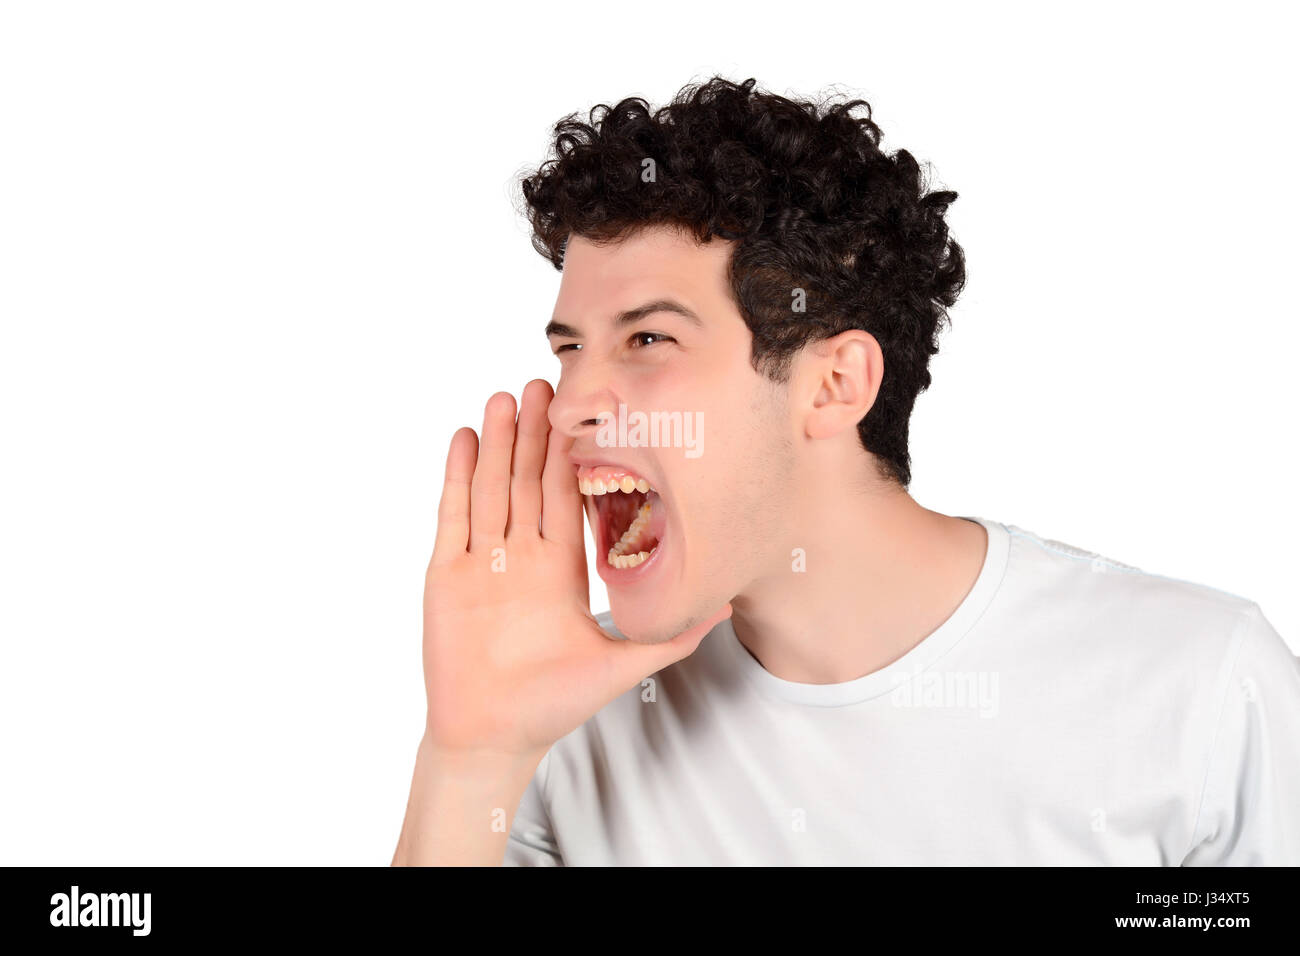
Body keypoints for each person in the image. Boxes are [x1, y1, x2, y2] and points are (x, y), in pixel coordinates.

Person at [391, 76, 1300, 866]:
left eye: (648, 339)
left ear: (835, 384)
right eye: (570, 349)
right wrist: (469, 757)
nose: (573, 402)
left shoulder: (1201, 689)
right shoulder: (559, 722)